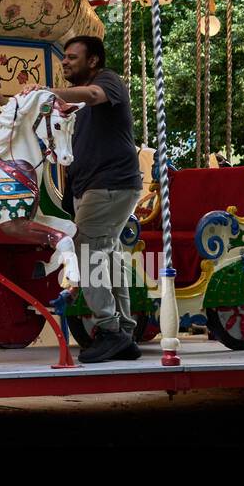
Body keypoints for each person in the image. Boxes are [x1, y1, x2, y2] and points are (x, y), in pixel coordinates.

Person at [50, 35, 143, 364]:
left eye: (72, 56)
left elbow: (92, 94)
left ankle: (109, 329)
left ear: (93, 61)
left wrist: (49, 92)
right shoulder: (78, 106)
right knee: (109, 254)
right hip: (96, 187)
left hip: (111, 184)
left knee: (84, 248)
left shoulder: (107, 81)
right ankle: (124, 331)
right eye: (64, 56)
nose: (65, 61)